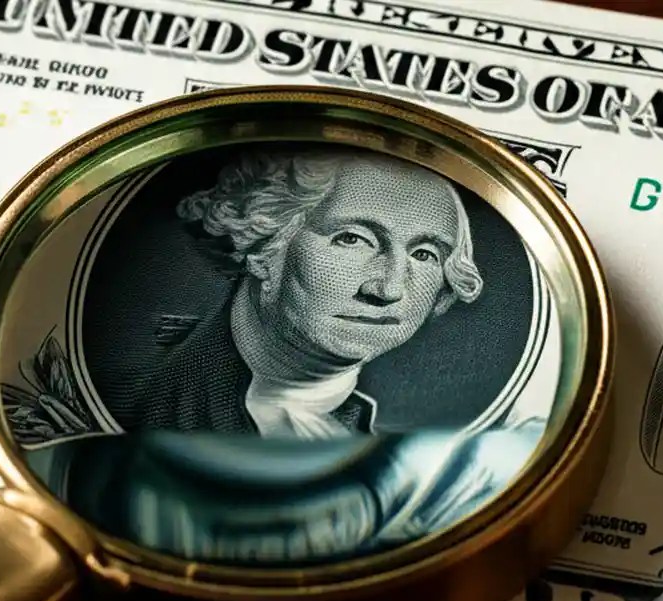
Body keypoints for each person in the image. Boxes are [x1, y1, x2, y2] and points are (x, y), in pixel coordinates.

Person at [134, 147, 485, 439]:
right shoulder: (152, 403)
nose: (387, 290)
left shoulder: (372, 434)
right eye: (351, 239)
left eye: (424, 254)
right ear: (265, 245)